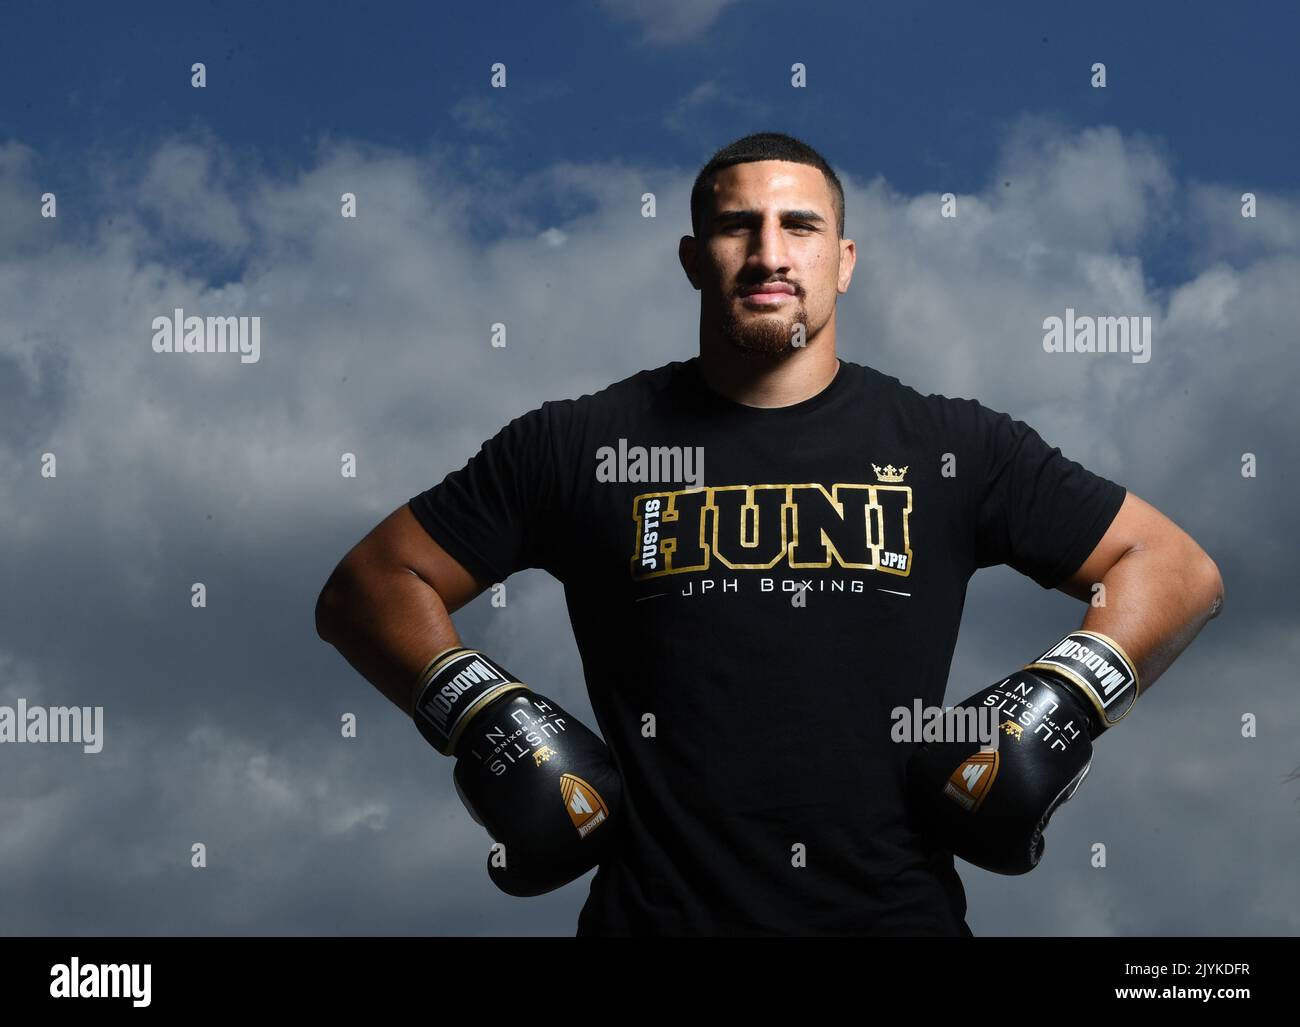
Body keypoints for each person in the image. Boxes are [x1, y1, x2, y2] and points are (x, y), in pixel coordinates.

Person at [315, 132, 1224, 936]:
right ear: (692, 257)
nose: (767, 253)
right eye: (736, 226)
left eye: (800, 227)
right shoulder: (581, 444)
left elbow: (1173, 567)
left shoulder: (949, 446)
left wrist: (1061, 697)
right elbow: (373, 583)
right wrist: (481, 712)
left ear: (845, 259)